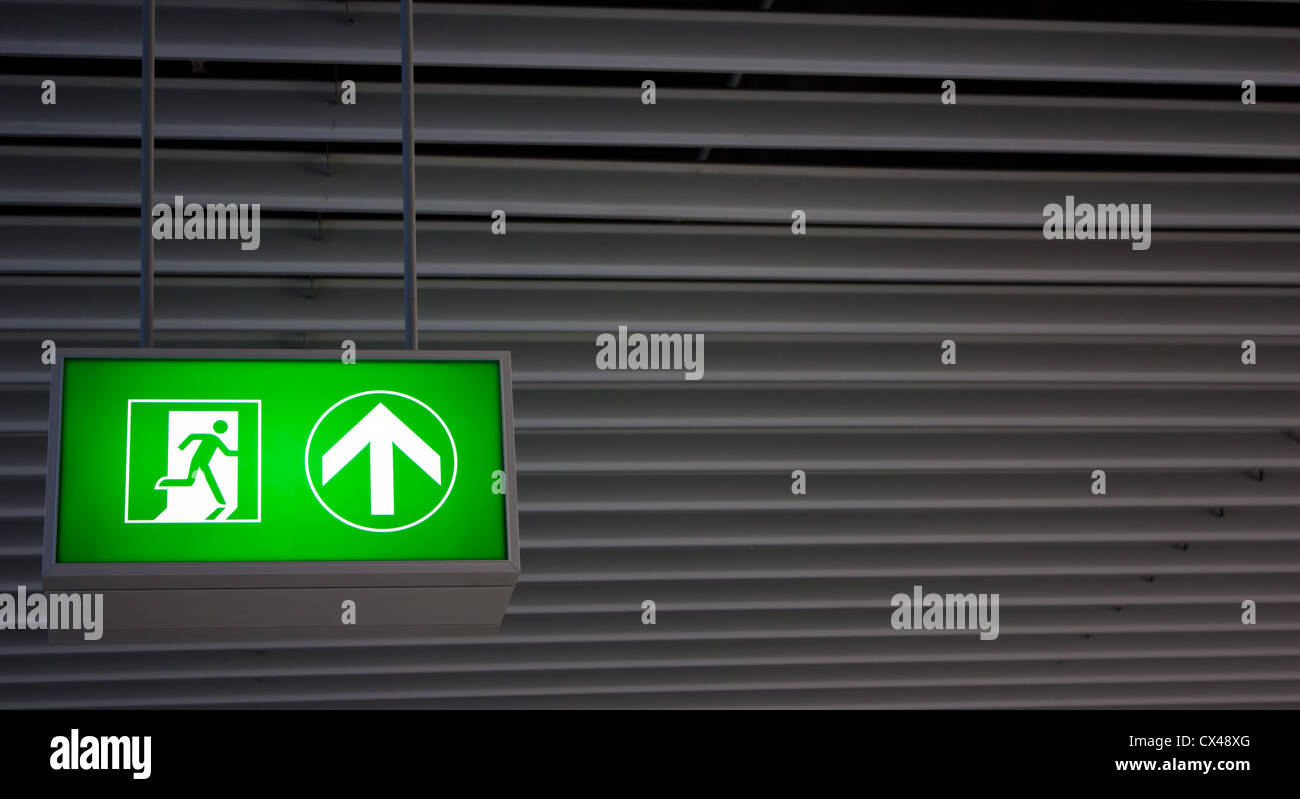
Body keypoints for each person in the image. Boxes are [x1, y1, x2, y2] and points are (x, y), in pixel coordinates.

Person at [157, 420, 236, 506]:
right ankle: (220, 500)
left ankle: (164, 483)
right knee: (199, 479)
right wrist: (182, 446)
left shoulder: (216, 439)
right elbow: (192, 436)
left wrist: (241, 453)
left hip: (203, 463)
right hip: (198, 462)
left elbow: (227, 452)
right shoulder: (210, 437)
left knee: (190, 481)